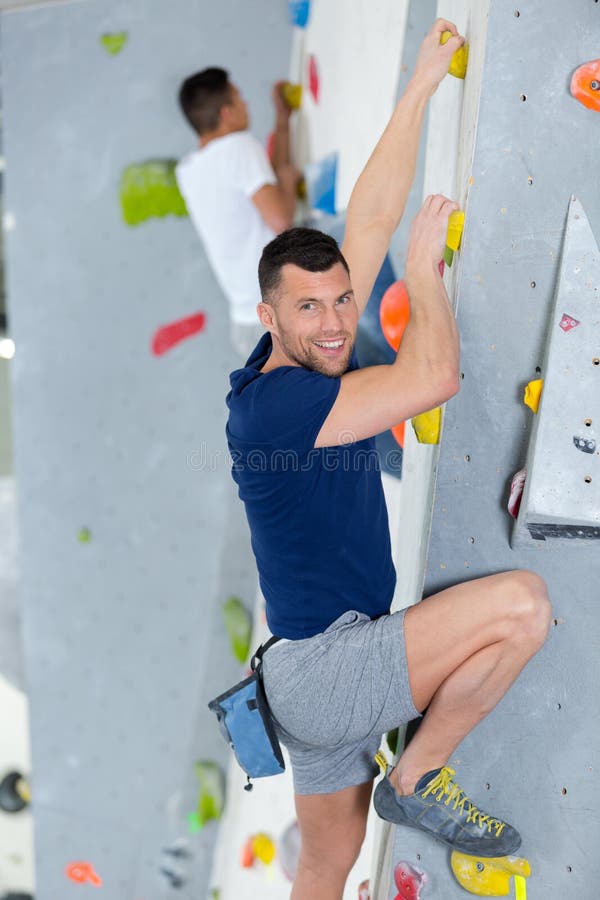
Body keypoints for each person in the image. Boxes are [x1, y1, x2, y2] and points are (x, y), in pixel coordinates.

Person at [226, 20, 551, 900]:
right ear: (270, 318)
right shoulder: (288, 405)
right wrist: (426, 272)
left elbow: (364, 217)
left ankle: (399, 778)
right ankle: (419, 776)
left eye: (342, 300)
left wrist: (419, 88)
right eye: (313, 309)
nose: (337, 321)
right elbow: (434, 375)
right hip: (332, 671)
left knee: (327, 865)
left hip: (300, 676)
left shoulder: (286, 363)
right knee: (523, 607)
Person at [176, 67, 301, 358]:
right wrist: (288, 181)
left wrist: (282, 123)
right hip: (282, 313)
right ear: (226, 113)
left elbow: (262, 185)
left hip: (247, 323)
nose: (246, 104)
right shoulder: (239, 147)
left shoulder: (189, 171)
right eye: (239, 97)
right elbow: (281, 219)